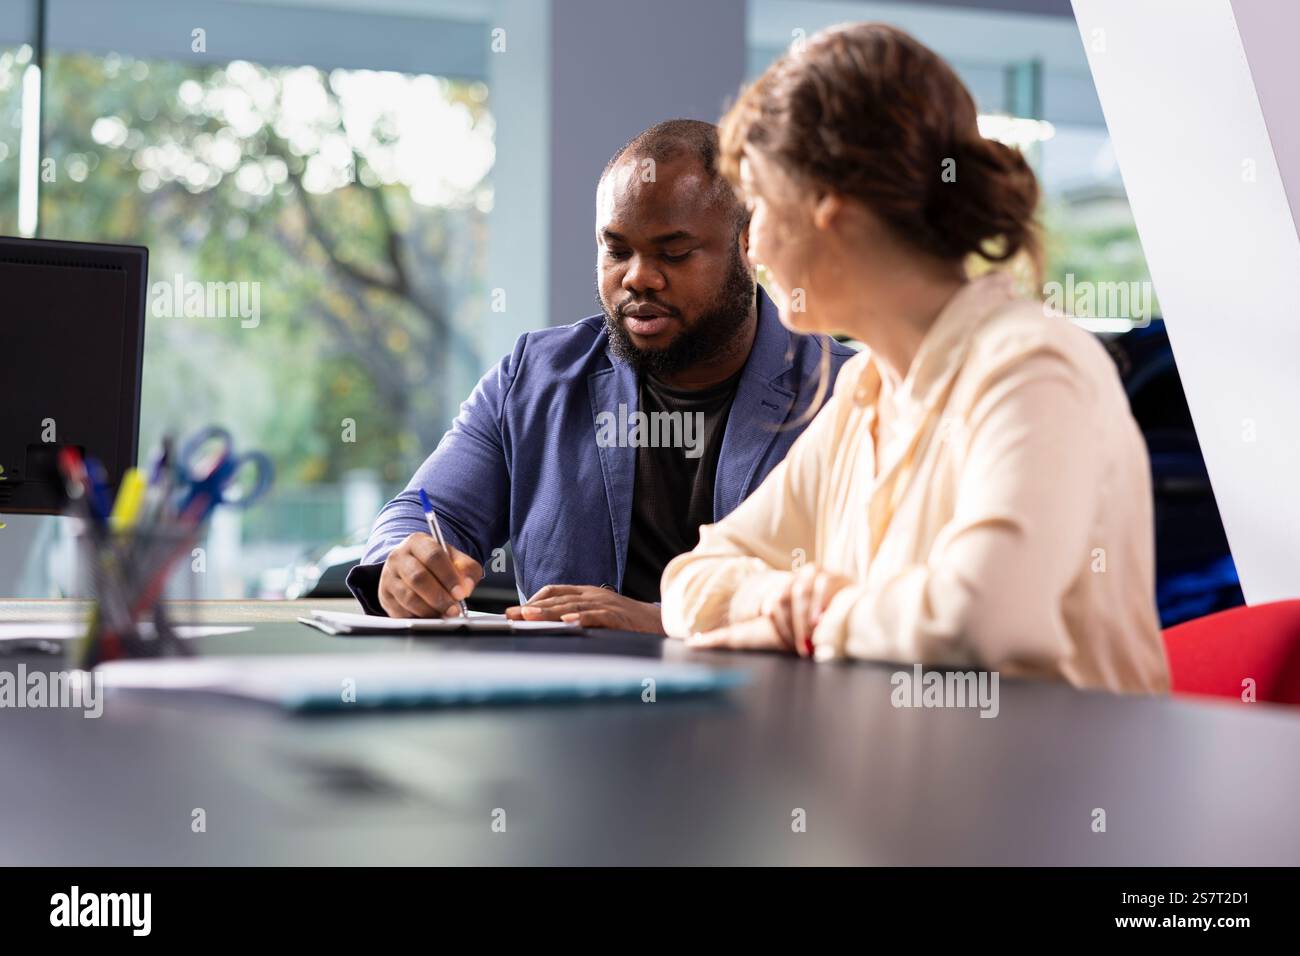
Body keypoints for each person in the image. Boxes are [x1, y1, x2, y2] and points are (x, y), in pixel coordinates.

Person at [659, 25, 1169, 692]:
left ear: (829, 211)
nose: (747, 247)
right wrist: (780, 601)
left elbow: (981, 620)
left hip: (1048, 790)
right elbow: (689, 581)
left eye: (757, 206)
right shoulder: (865, 393)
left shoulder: (1032, 369)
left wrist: (820, 617)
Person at [346, 119, 855, 633]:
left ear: (749, 244)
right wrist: (403, 564)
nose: (637, 277)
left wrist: (665, 621)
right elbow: (426, 510)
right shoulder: (534, 376)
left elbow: (870, 594)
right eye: (616, 250)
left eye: (673, 253)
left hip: (766, 704)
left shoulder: (846, 393)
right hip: (568, 702)